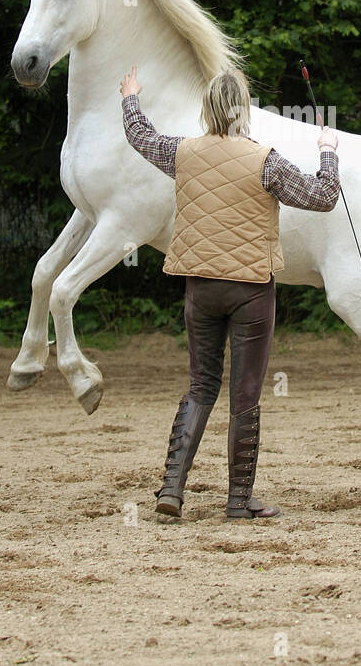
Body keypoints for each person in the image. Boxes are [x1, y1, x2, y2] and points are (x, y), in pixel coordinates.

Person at [119, 65, 340, 521]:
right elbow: (324, 196)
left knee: (201, 387)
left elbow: (141, 137)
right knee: (245, 397)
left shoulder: (183, 152)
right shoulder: (266, 160)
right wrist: (327, 151)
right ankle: (239, 501)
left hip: (199, 289)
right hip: (251, 292)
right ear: (243, 109)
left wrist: (131, 98)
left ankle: (171, 490)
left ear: (207, 108)